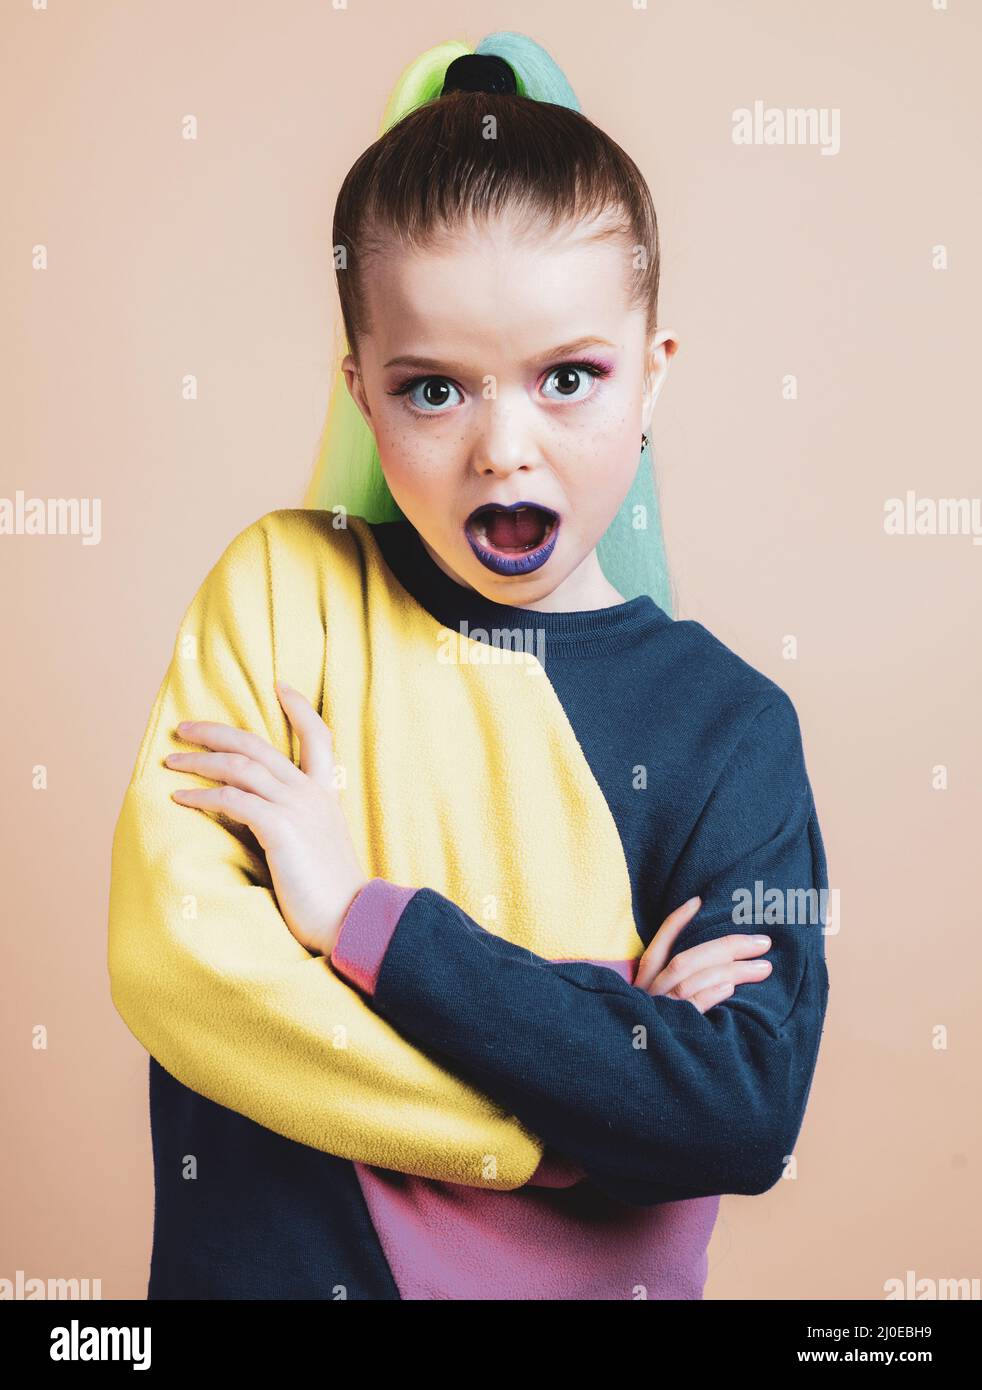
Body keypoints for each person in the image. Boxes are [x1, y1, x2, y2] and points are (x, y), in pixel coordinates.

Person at [108, 31, 830, 1301]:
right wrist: (597, 1070)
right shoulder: (284, 595)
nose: (504, 448)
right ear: (361, 396)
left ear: (651, 377)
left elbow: (734, 1119)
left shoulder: (728, 729)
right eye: (433, 389)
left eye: (568, 377)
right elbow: (187, 964)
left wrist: (355, 920)